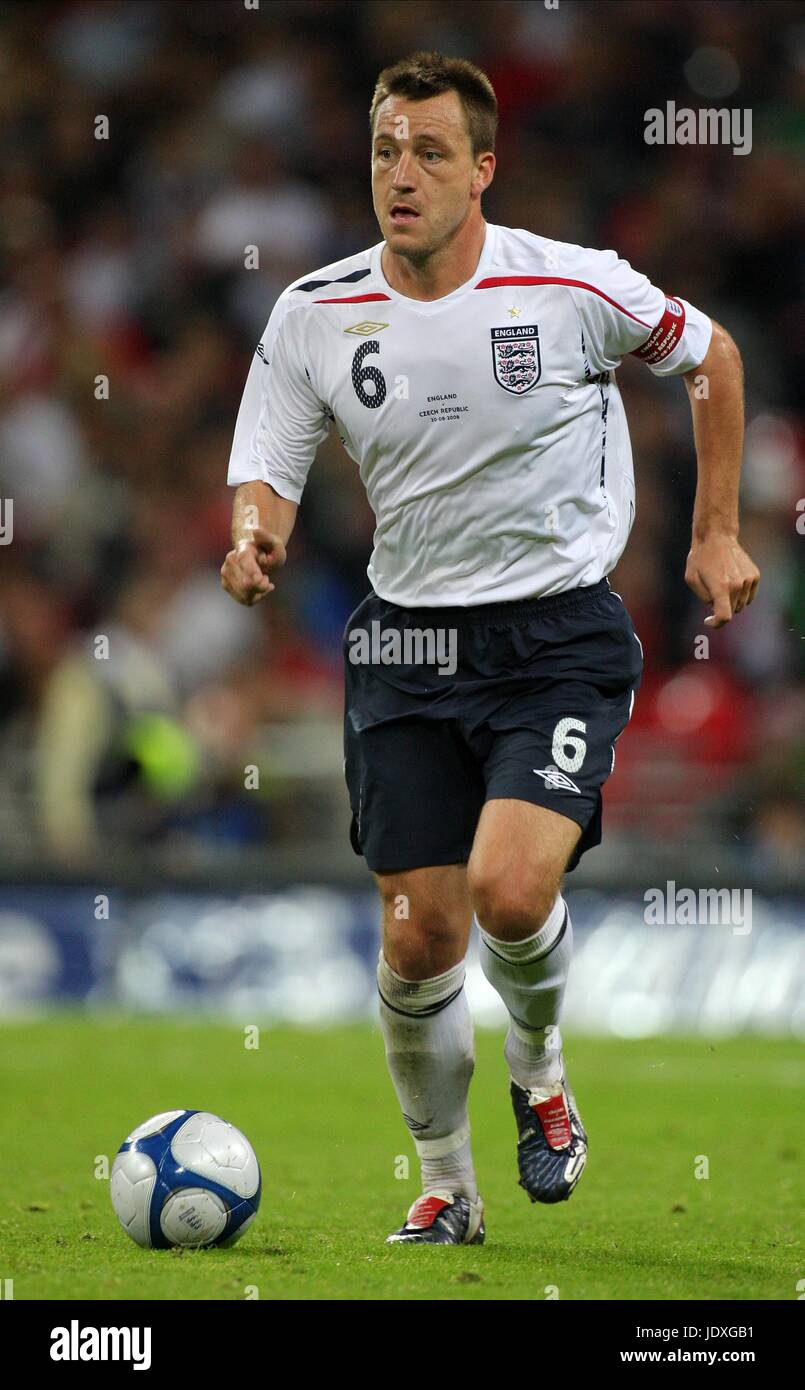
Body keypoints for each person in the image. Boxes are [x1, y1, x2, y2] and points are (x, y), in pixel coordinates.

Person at [221, 52, 759, 1246]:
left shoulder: (569, 287)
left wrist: (715, 532)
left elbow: (709, 356)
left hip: (554, 634)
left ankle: (542, 1065)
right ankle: (446, 1187)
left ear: (483, 169)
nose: (399, 175)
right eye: (381, 151)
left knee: (510, 892)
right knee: (418, 938)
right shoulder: (316, 310)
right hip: (405, 642)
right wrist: (255, 537)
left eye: (427, 152)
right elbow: (268, 457)